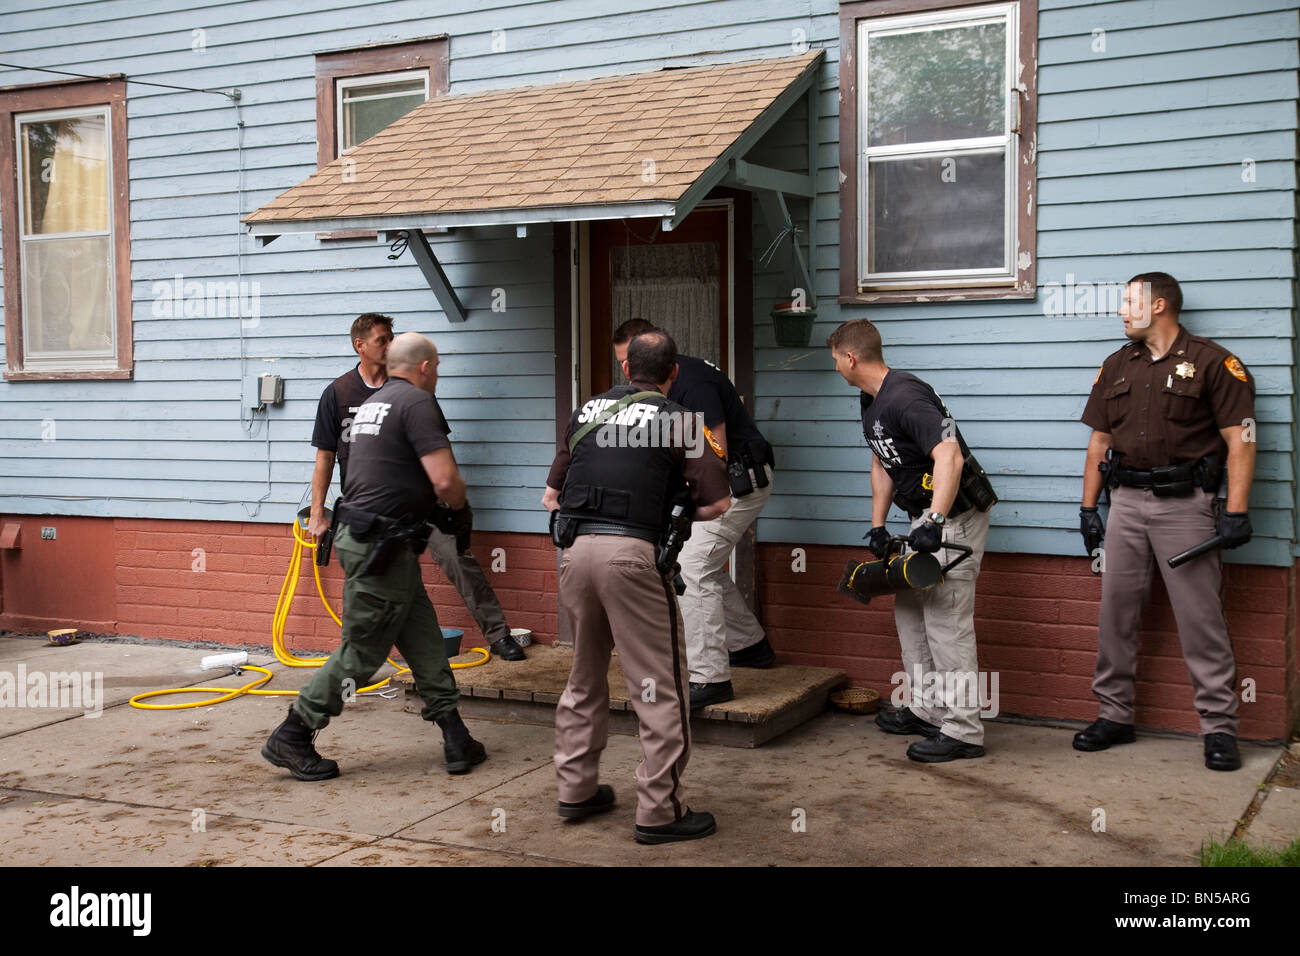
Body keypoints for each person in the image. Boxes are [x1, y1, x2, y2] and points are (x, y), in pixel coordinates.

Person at [263, 333, 486, 779]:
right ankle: (294, 732)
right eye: (437, 366)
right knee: (362, 653)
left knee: (422, 638)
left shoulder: (373, 405)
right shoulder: (416, 403)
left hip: (382, 544)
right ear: (423, 367)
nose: (437, 373)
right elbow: (444, 481)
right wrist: (459, 509)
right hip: (381, 548)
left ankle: (454, 734)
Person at [542, 330, 732, 843]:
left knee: (583, 676)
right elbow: (718, 505)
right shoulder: (680, 420)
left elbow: (549, 497)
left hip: (576, 555)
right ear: (673, 374)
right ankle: (659, 811)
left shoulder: (587, 413)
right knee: (658, 684)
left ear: (627, 370)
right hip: (632, 558)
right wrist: (672, 510)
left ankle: (576, 790)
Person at [1076, 272, 1256, 771]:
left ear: (1158, 305)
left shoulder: (1213, 362)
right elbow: (1099, 443)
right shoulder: (1116, 366)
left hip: (1186, 506)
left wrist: (1236, 511)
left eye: (1128, 302)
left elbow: (1240, 440)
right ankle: (1115, 716)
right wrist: (1089, 509)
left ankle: (1219, 728)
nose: (1120, 311)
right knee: (1116, 614)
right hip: (1126, 505)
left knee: (1201, 620)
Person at [308, 313, 525, 662]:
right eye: (382, 339)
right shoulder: (338, 393)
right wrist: (318, 514)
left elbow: (440, 448)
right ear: (359, 345)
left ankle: (498, 635)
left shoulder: (414, 392)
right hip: (371, 510)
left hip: (423, 501)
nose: (390, 345)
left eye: (392, 338)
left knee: (458, 559)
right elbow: (325, 457)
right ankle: (356, 663)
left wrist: (452, 505)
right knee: (374, 582)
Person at [829, 318, 997, 762]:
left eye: (835, 360)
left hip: (952, 517)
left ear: (850, 357)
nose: (835, 368)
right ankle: (928, 711)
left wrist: (935, 519)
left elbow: (950, 455)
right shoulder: (870, 399)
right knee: (910, 614)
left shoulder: (907, 396)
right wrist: (880, 525)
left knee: (946, 623)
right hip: (917, 517)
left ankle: (963, 731)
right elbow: (882, 463)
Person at [612, 319, 775, 711]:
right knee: (707, 564)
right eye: (621, 361)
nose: (625, 369)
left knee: (693, 564)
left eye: (629, 359)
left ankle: (710, 677)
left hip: (738, 484)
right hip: (713, 484)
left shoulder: (693, 382)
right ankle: (749, 646)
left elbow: (714, 453)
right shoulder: (650, 392)